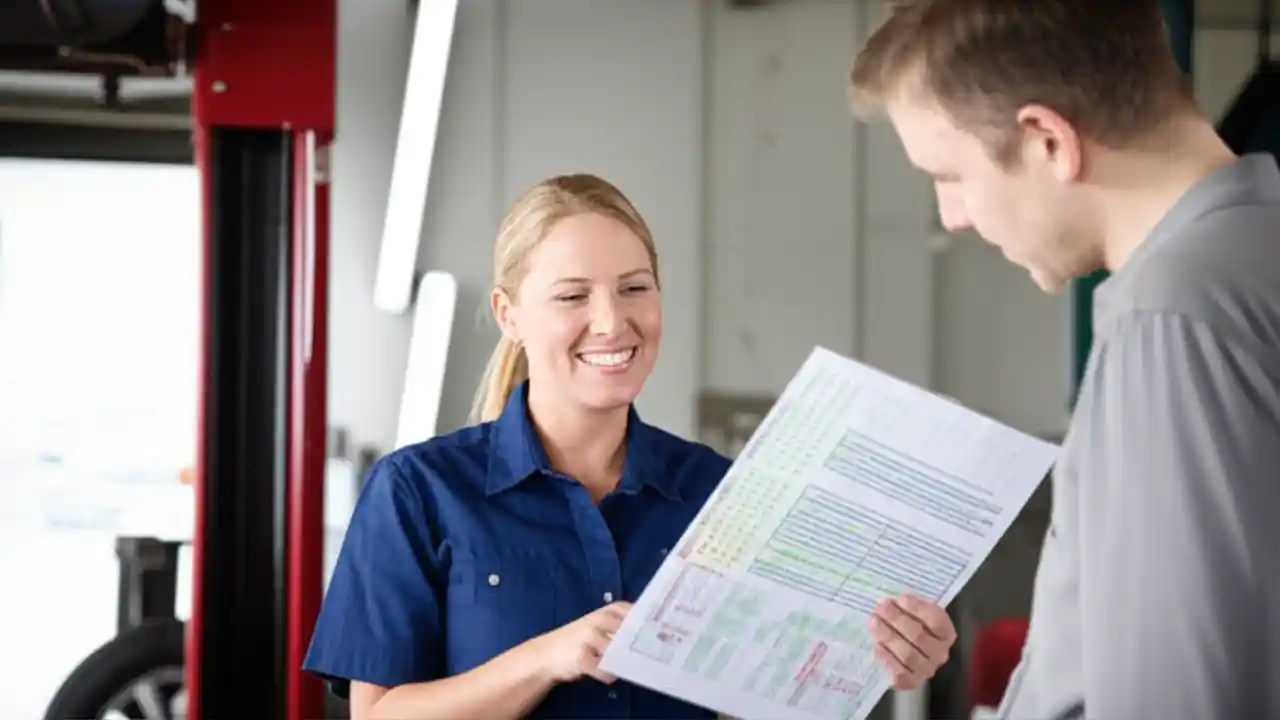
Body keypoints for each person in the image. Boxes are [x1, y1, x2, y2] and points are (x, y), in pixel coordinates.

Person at [303, 172, 958, 719]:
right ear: (510, 315)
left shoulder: (723, 493)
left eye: (634, 287)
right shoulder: (418, 490)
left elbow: (778, 693)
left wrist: (882, 657)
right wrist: (546, 658)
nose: (613, 321)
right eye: (572, 296)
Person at [848, 2, 1280, 719]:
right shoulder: (1250, 249)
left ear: (1048, 140)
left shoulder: (1172, 315)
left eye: (949, 173)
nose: (951, 215)